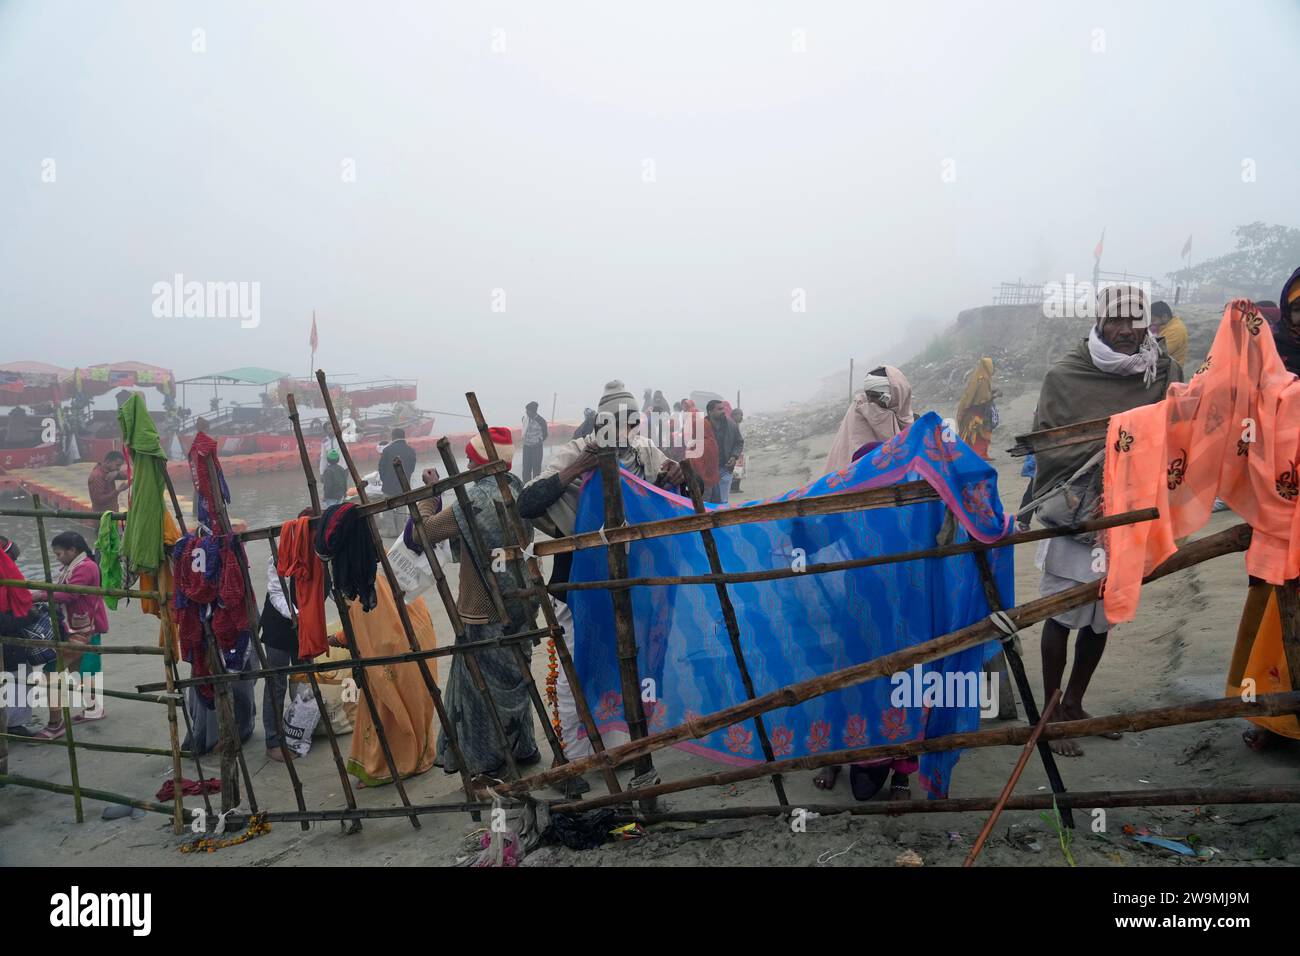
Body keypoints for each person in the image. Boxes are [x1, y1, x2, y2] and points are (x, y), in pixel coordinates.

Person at [1027, 284, 1179, 757]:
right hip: (1073, 511)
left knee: (1101, 617)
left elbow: (1175, 425)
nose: (1127, 332)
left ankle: (1075, 703)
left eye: (1136, 323)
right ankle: (1050, 714)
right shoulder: (1065, 375)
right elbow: (1046, 444)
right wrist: (1098, 465)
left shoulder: (1161, 370)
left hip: (1125, 514)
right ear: (1099, 321)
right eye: (1117, 322)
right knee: (1061, 613)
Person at [517, 380, 683, 787]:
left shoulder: (644, 451)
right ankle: (575, 758)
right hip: (579, 580)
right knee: (578, 666)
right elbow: (528, 502)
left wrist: (671, 478)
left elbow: (652, 504)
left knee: (627, 658)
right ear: (601, 421)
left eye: (631, 421)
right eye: (617, 421)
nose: (625, 428)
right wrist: (580, 469)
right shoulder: (576, 451)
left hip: (629, 580)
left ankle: (619, 745)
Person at [414, 427, 540, 777]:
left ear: (480, 462)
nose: (466, 461)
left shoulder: (474, 502)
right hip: (519, 601)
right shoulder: (519, 490)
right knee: (517, 678)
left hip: (483, 608)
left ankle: (487, 761)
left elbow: (425, 531)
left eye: (471, 457)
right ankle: (523, 747)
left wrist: (429, 493)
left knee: (479, 695)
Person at [31, 532, 109, 738]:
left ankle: (55, 724)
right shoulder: (77, 565)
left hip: (83, 628)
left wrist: (39, 593)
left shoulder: (84, 567)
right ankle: (93, 709)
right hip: (81, 625)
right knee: (80, 669)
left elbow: (70, 593)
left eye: (58, 554)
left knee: (52, 673)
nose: (57, 558)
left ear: (71, 550)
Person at [823, 366, 915, 474]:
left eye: (875, 396)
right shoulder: (860, 412)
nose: (870, 401)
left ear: (895, 396)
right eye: (868, 395)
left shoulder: (913, 421)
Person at [956, 358, 999, 459]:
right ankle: (978, 454)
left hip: (977, 411)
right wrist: (994, 395)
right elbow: (982, 397)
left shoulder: (981, 378)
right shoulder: (983, 379)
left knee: (979, 433)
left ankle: (979, 454)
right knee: (978, 433)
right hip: (977, 412)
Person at [378, 427, 416, 534]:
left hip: (389, 486)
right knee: (401, 509)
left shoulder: (387, 450)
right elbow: (412, 468)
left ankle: (391, 531)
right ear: (404, 436)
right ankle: (401, 531)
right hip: (404, 485)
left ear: (393, 436)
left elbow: (381, 468)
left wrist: (385, 480)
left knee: (388, 510)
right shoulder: (411, 450)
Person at [706, 400, 744, 503]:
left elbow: (739, 442)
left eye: (723, 408)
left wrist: (734, 456)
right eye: (719, 409)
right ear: (710, 412)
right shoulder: (701, 427)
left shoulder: (731, 424)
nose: (723, 411)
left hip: (725, 468)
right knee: (707, 501)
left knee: (723, 501)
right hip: (707, 471)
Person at [1150, 300, 1189, 370]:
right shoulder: (1165, 326)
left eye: (1153, 320)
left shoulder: (1176, 330)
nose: (1151, 324)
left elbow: (1159, 353)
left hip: (1170, 372)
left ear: (1165, 316)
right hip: (1162, 367)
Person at [521, 401, 549, 483]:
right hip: (526, 447)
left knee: (536, 469)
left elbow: (545, 434)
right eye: (526, 410)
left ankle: (535, 486)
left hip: (536, 448)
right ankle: (526, 485)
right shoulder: (524, 418)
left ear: (533, 411)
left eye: (528, 411)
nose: (526, 412)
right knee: (526, 468)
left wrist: (538, 441)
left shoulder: (541, 421)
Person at [729, 408, 747, 492]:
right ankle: (733, 487)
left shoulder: (738, 425)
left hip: (739, 451)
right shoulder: (731, 426)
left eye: (742, 415)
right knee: (736, 469)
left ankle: (736, 487)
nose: (741, 417)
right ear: (734, 416)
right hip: (734, 452)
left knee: (739, 470)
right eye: (740, 415)